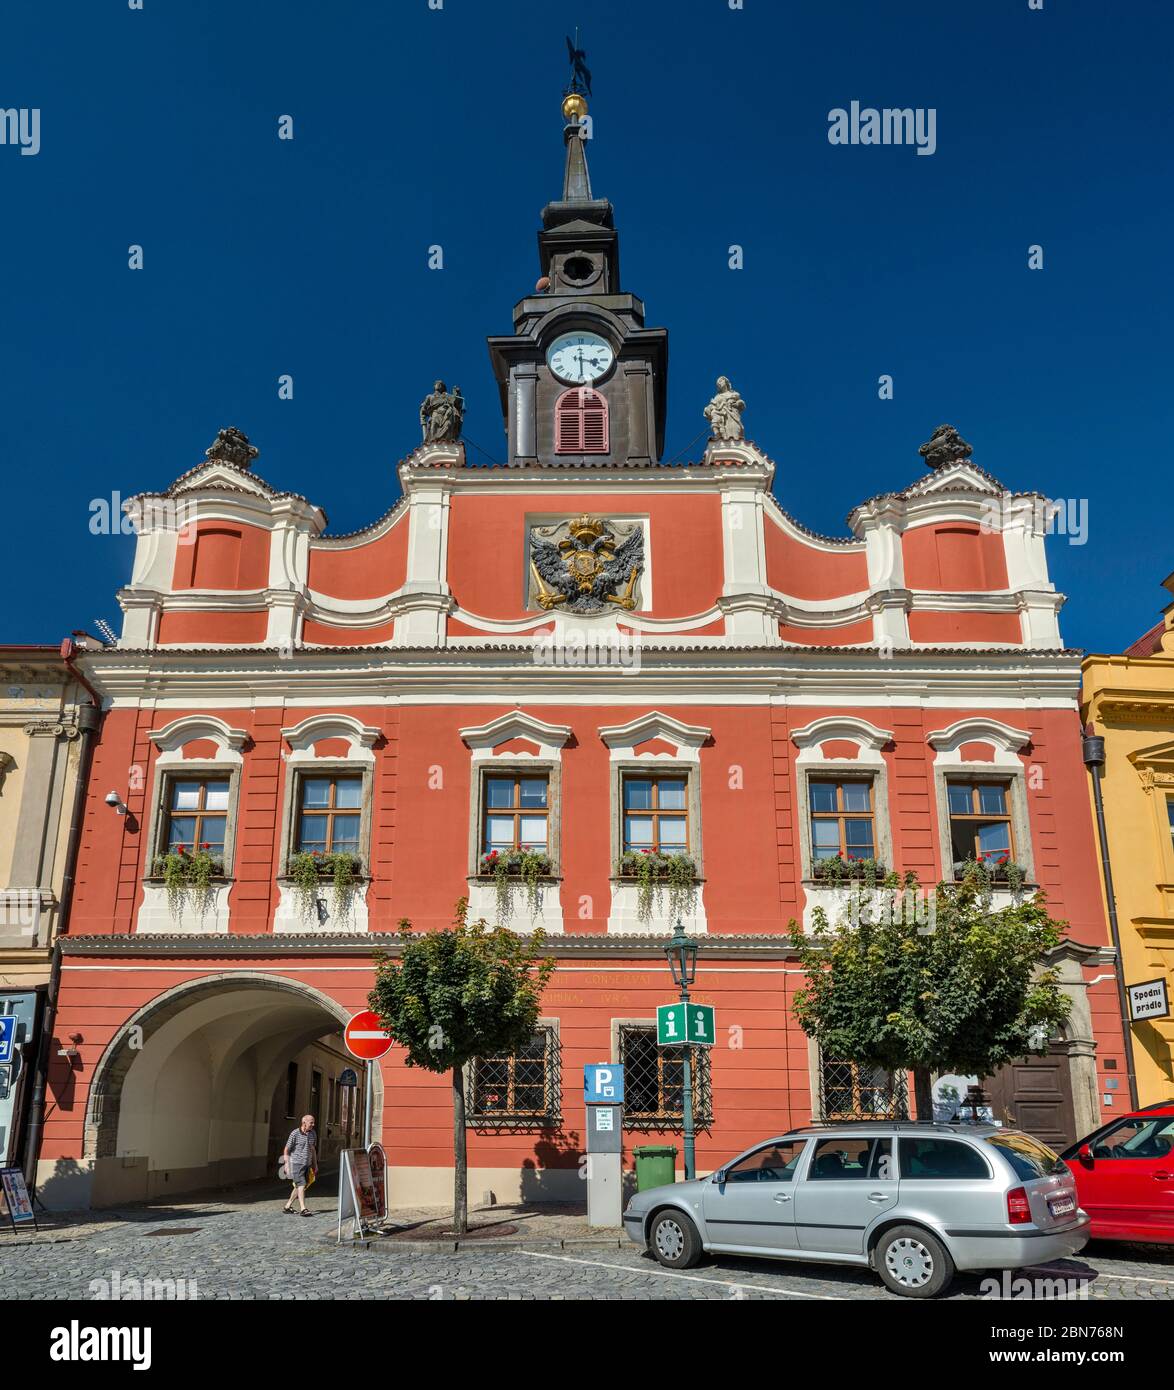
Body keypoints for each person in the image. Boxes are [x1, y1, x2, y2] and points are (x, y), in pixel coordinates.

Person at [282, 1113, 319, 1216]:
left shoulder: (313, 1134)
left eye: (313, 1122)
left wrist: (315, 1164)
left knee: (299, 1186)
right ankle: (303, 1209)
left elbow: (313, 1150)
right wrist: (286, 1165)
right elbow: (286, 1149)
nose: (313, 1124)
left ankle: (287, 1206)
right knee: (301, 1184)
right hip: (296, 1163)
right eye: (311, 1122)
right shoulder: (295, 1134)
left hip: (307, 1164)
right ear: (304, 1123)